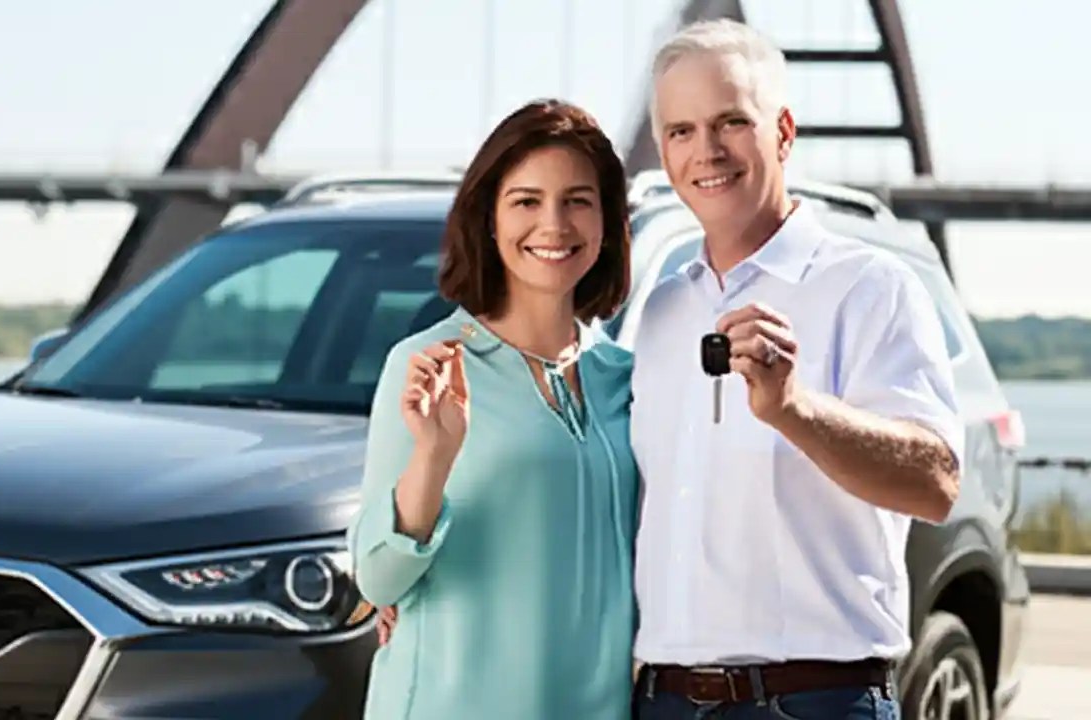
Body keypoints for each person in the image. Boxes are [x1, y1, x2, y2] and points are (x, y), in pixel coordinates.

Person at [628, 19, 963, 719]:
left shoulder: (871, 286)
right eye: (681, 130)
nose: (706, 150)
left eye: (730, 122)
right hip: (665, 701)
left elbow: (935, 482)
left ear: (783, 131)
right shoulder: (660, 312)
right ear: (661, 148)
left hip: (817, 700)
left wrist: (794, 408)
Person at [347, 99, 639, 719]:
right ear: (489, 219)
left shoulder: (627, 378)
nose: (554, 225)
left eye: (577, 200)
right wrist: (433, 455)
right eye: (527, 201)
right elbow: (377, 580)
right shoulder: (426, 365)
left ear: (608, 221)